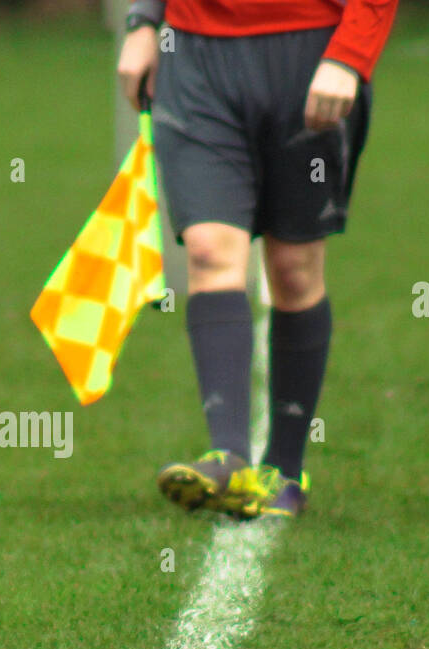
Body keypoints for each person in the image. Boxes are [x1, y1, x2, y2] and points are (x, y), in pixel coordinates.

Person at [116, 0, 399, 518]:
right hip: (195, 55)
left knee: (293, 268)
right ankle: (229, 457)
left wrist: (352, 53)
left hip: (312, 50)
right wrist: (143, 22)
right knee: (208, 250)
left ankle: (285, 470)